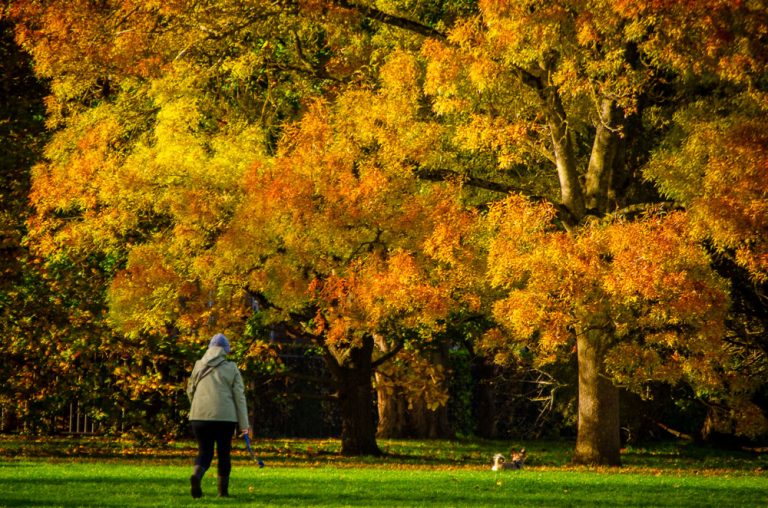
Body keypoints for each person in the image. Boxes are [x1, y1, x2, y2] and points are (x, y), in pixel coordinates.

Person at [187, 333, 250, 498]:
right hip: (225, 417)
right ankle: (223, 492)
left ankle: (197, 475)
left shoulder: (198, 365)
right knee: (224, 453)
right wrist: (244, 425)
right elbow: (239, 396)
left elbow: (190, 390)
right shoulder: (231, 368)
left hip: (199, 416)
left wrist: (197, 407)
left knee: (204, 451)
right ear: (226, 351)